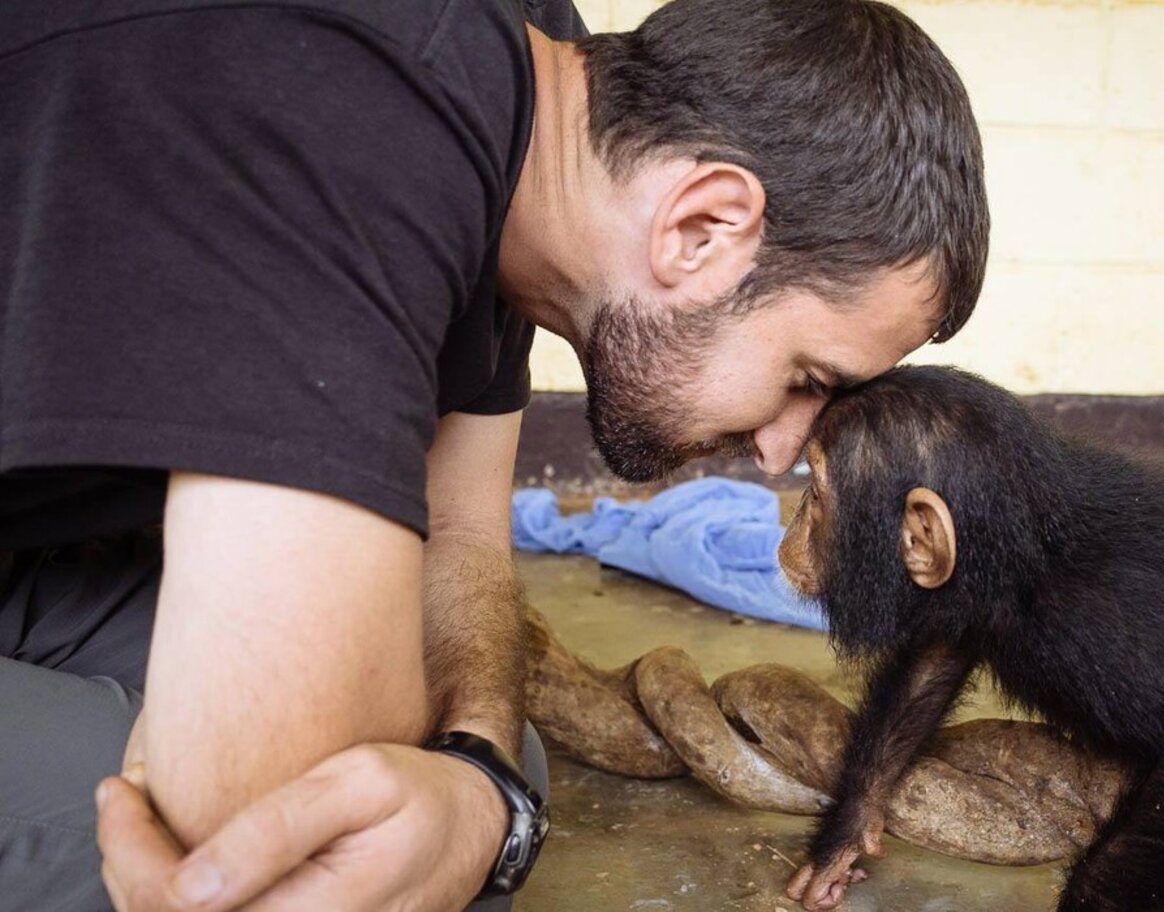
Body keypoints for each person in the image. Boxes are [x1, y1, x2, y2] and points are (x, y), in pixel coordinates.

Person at [0, 0, 989, 908]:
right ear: (701, 227)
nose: (782, 452)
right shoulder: (360, 94)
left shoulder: (542, 86)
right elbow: (250, 790)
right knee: (278, 866)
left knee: (487, 772)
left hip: (34, 549)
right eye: (807, 378)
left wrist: (477, 783)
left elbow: (463, 526)